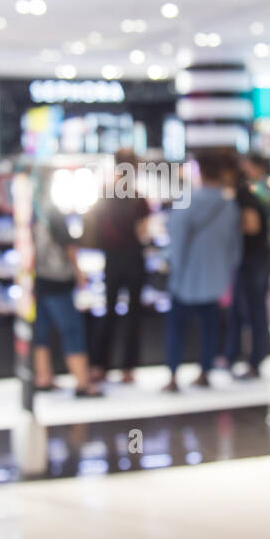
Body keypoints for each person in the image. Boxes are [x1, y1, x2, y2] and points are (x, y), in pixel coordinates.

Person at [164, 150, 241, 392]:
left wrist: (173, 267)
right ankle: (205, 371)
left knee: (177, 329)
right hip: (214, 280)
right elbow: (234, 248)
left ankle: (173, 375)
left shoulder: (187, 201)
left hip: (185, 279)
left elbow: (175, 241)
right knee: (210, 329)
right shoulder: (229, 205)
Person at [31, 176, 100, 398]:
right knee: (72, 329)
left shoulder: (33, 212)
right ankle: (82, 382)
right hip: (57, 281)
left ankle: (43, 377)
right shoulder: (53, 214)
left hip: (38, 280)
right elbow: (70, 247)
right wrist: (79, 274)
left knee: (41, 330)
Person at [89, 149, 151, 384]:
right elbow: (143, 232)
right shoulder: (137, 197)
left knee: (109, 310)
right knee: (133, 312)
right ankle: (128, 368)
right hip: (133, 257)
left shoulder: (106, 193)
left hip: (112, 258)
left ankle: (99, 365)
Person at [226, 163, 270, 378]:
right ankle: (235, 354)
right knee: (242, 308)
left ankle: (257, 358)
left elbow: (252, 227)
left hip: (254, 261)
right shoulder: (243, 195)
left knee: (255, 309)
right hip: (250, 260)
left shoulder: (245, 197)